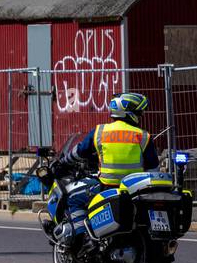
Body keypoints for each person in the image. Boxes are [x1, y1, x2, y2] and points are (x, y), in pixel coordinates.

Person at [56, 92, 162, 248]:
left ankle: (79, 239)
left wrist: (63, 162)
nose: (140, 116)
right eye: (139, 112)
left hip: (105, 187)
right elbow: (154, 168)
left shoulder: (100, 132)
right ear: (129, 113)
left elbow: (79, 152)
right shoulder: (143, 136)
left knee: (73, 199)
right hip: (134, 190)